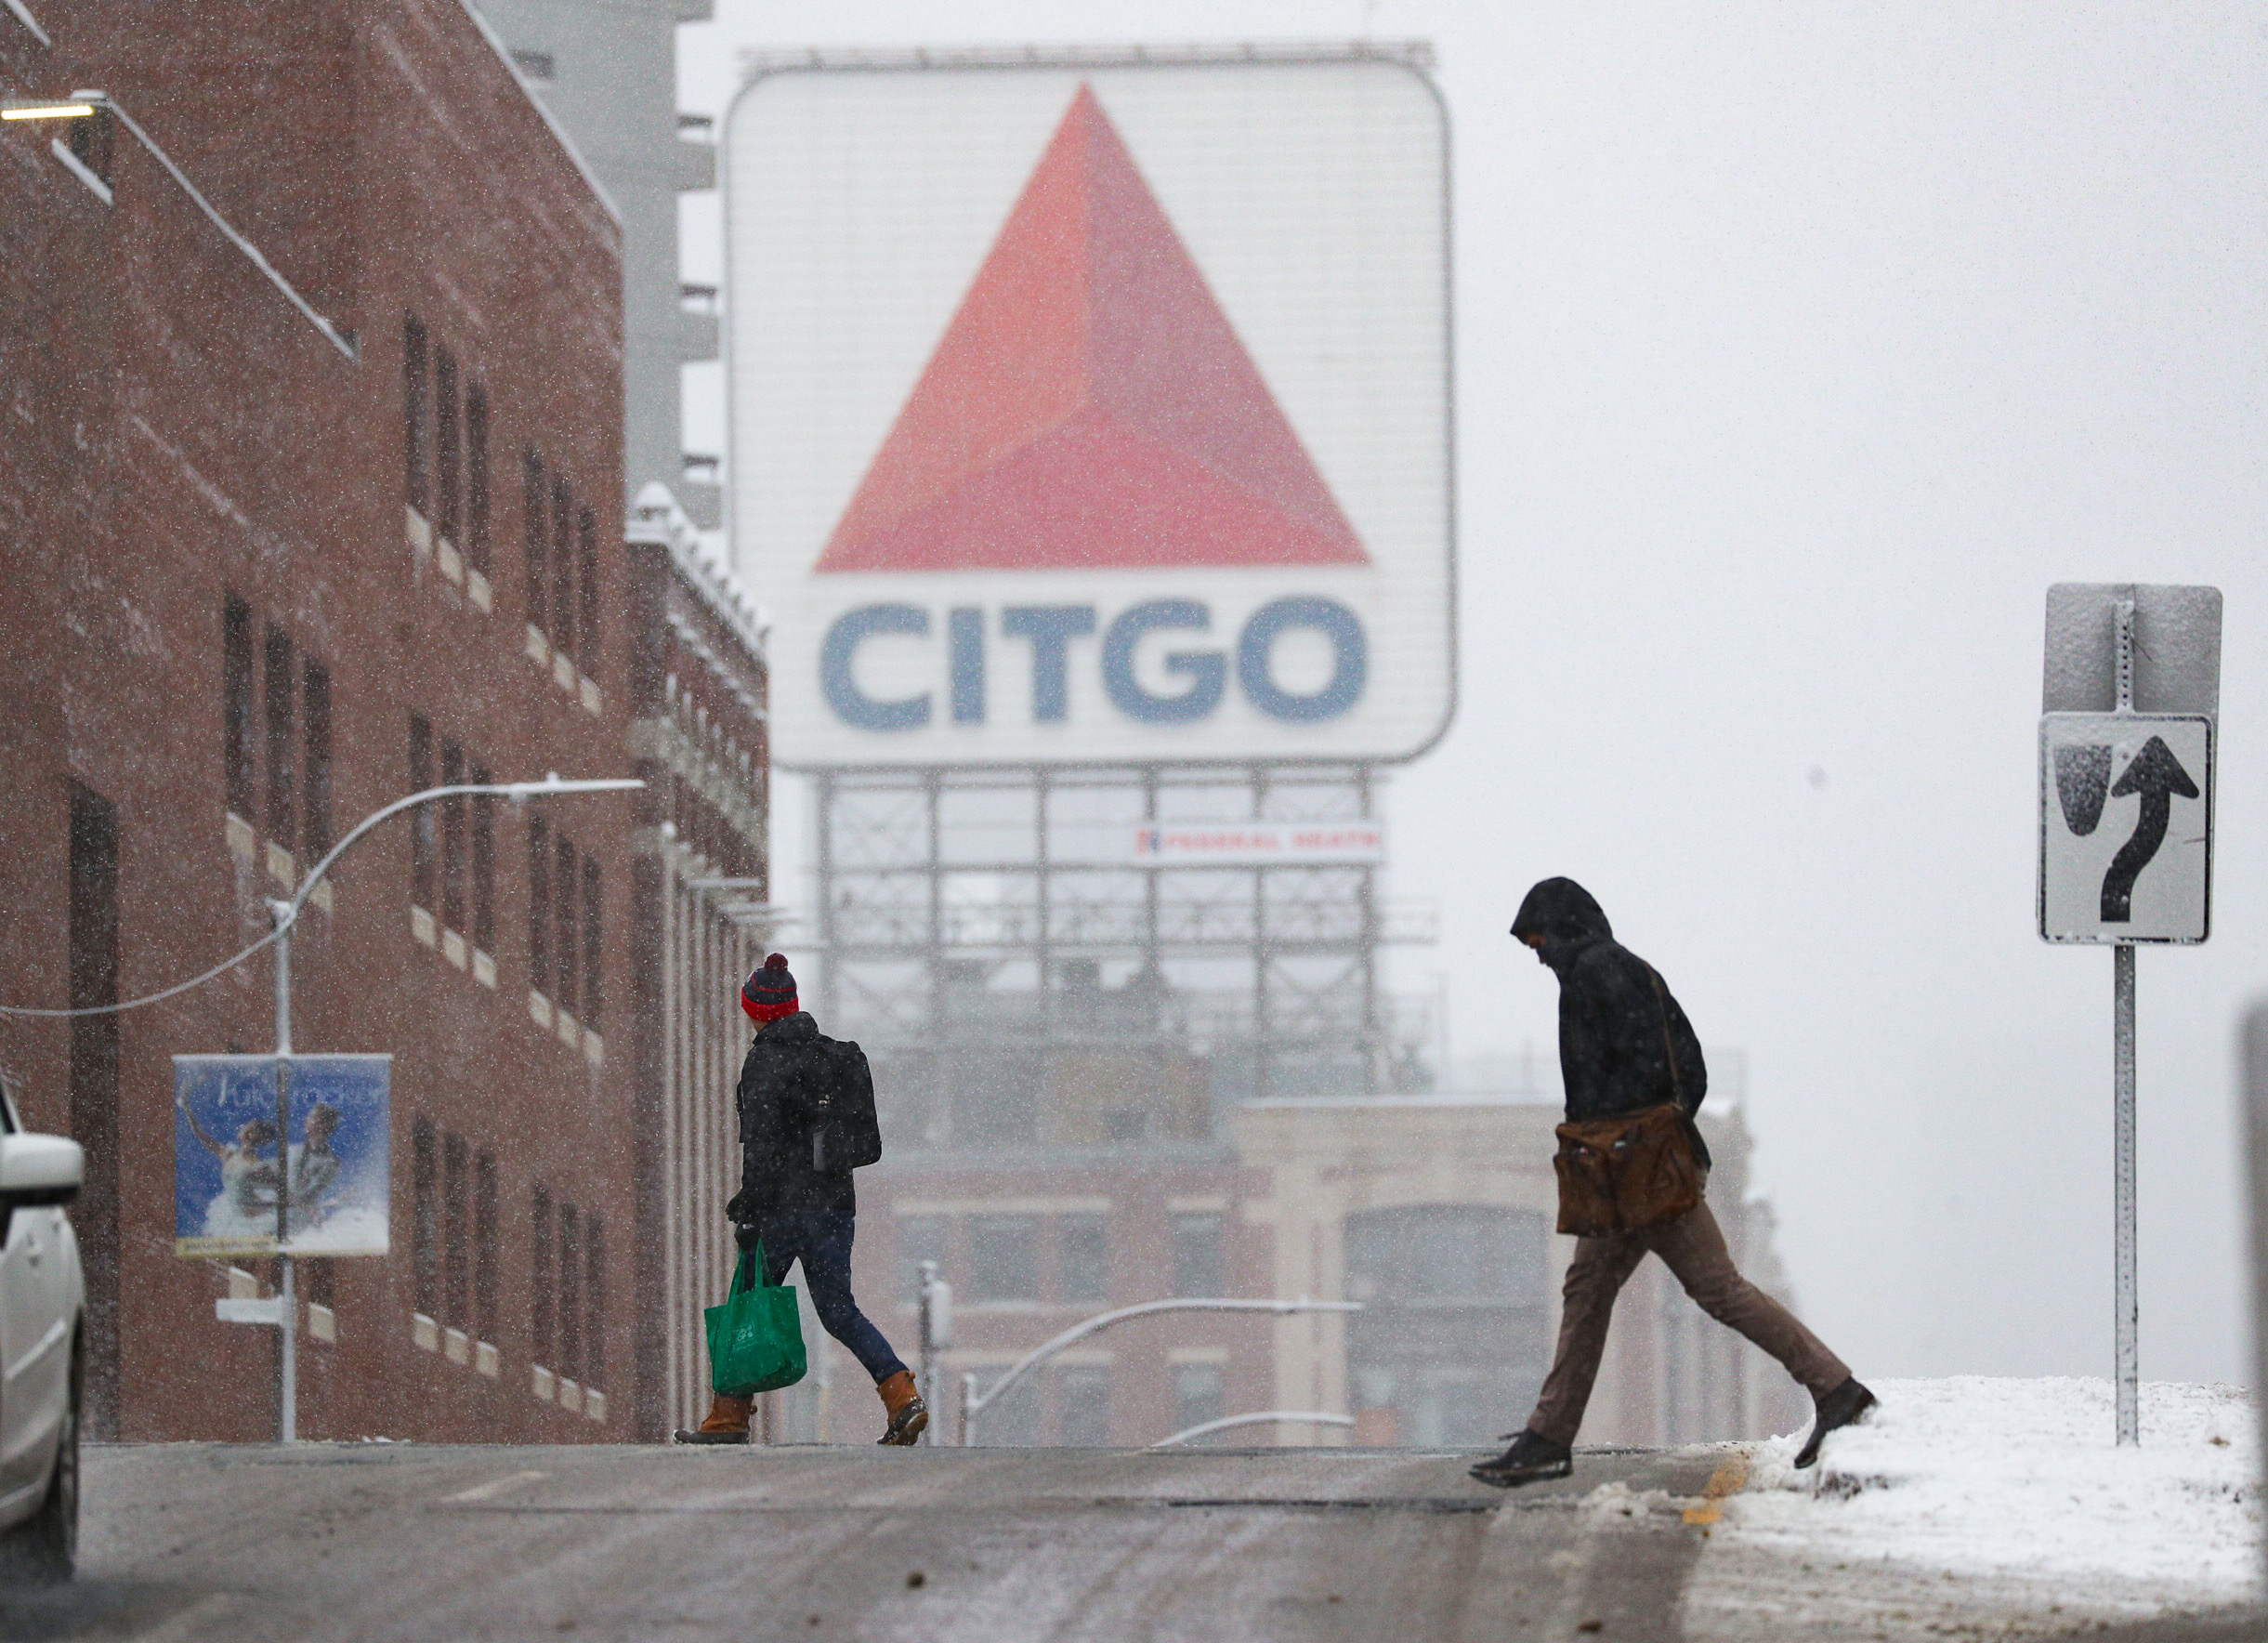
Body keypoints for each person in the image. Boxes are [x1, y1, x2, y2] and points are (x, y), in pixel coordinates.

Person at [1470, 878, 1875, 1488]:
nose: (1538, 956)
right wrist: (1661, 1131)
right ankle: (1548, 1437)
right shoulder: (1625, 970)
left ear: (1564, 928)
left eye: (1539, 940)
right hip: (1635, 1167)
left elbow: (1634, 1077)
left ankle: (1836, 1388)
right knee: (1590, 1292)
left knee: (1715, 1289)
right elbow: (1690, 1071)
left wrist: (1626, 1139)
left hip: (1635, 1173)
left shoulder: (1596, 973)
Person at [677, 954, 928, 1447]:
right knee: (839, 1310)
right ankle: (902, 1396)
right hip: (834, 1207)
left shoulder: (765, 1061)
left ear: (756, 1011)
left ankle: (728, 1419)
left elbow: (761, 1145)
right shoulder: (835, 1056)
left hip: (781, 1209)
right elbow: (855, 1142)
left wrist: (750, 1208)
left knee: (746, 1305)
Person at [178, 1099, 281, 1240]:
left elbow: (281, 1190)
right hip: (234, 1220)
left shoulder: (257, 1166)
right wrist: (186, 1107)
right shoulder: (229, 1155)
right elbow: (200, 1133)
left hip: (254, 1222)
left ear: (252, 1134)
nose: (242, 1127)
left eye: (247, 1126)